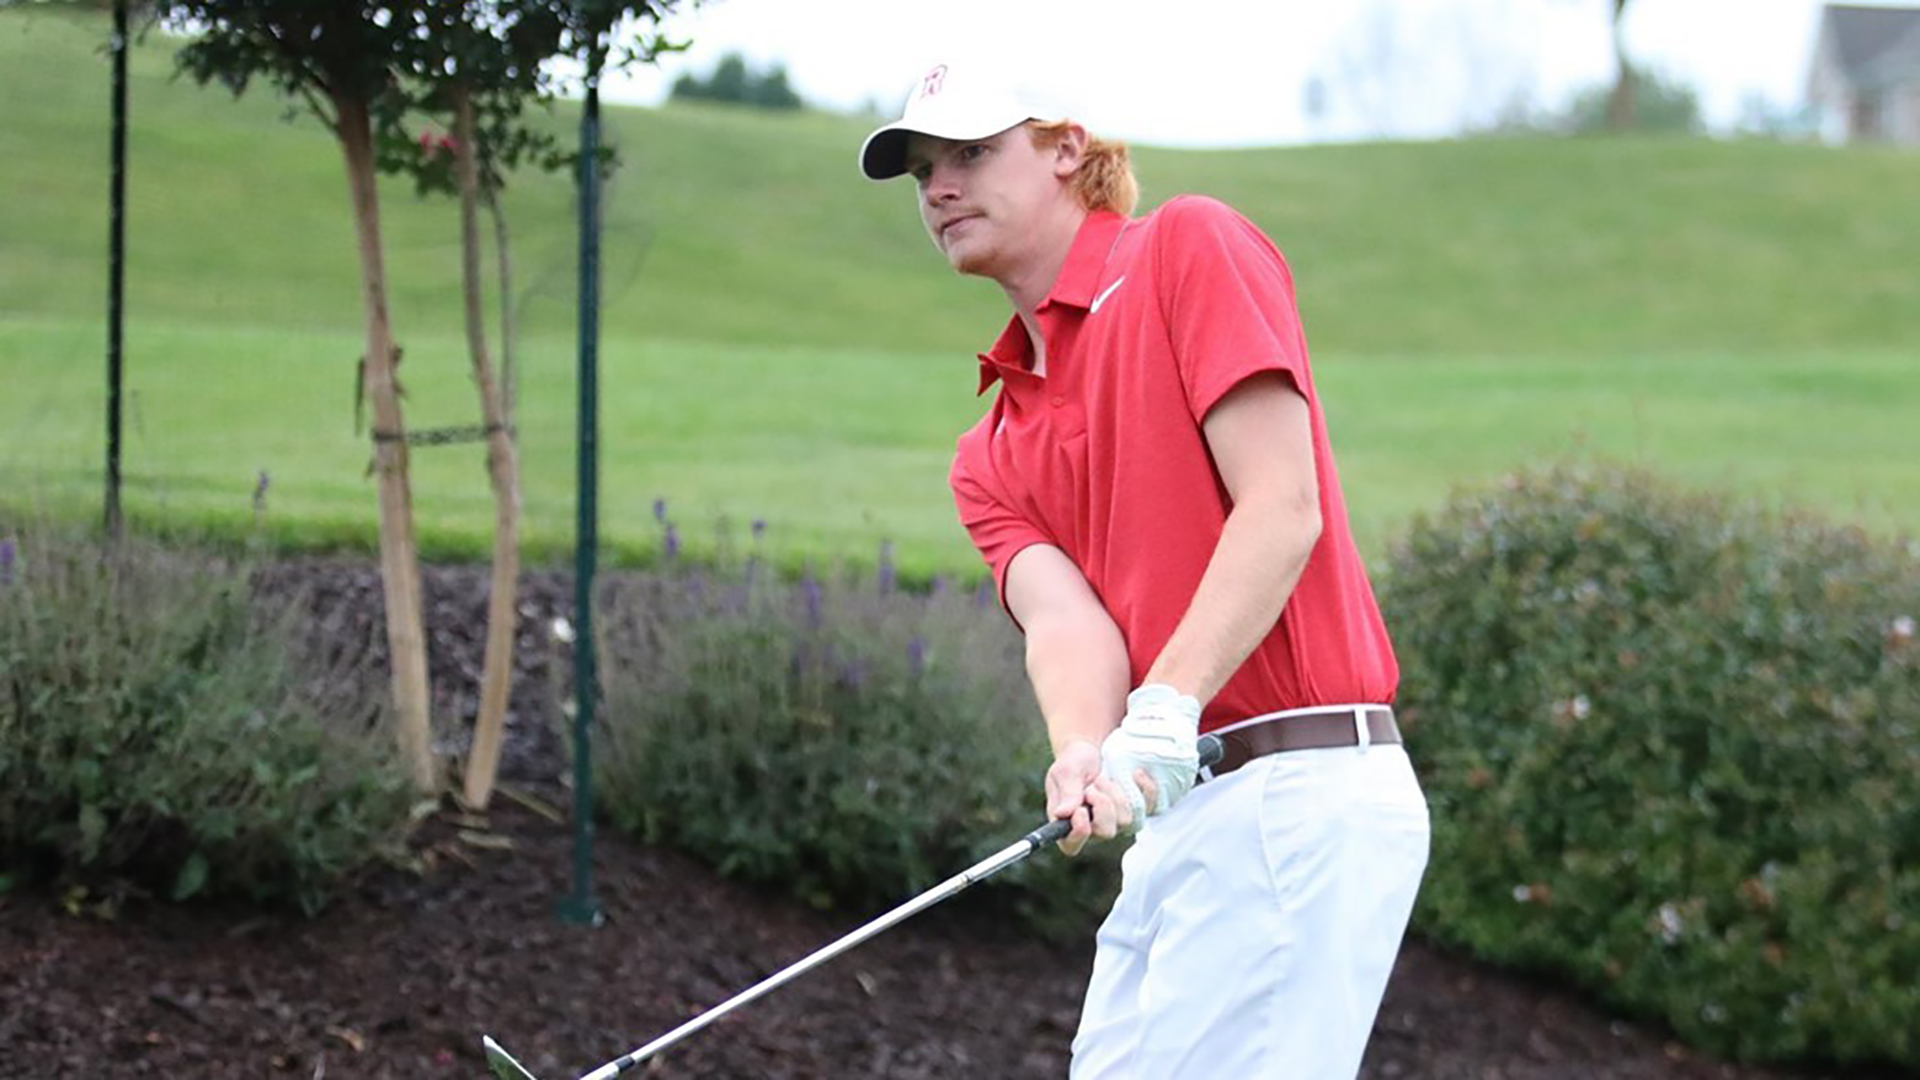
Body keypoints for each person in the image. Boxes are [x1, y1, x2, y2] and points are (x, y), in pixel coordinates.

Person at [858, 61, 1431, 1080]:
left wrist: (1164, 705)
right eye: (922, 171)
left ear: (1067, 148)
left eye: (974, 153)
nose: (940, 187)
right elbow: (1068, 625)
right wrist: (1082, 746)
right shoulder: (988, 450)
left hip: (1301, 788)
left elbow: (1282, 506)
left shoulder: (1185, 248)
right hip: (1184, 811)